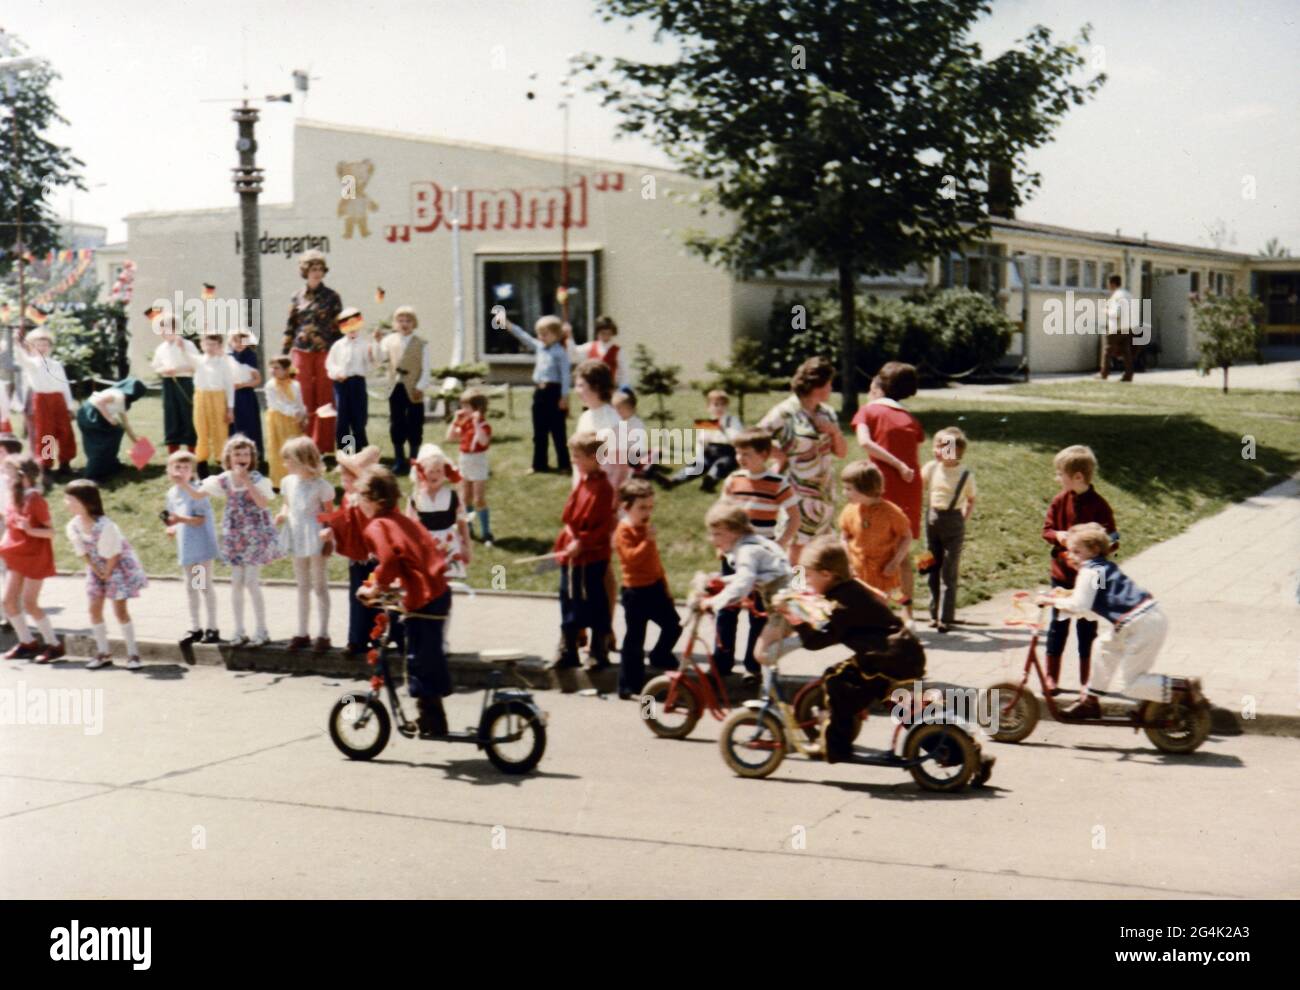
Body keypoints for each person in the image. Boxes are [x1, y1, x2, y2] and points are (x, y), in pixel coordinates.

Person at [778, 536, 923, 763]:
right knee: (894, 701)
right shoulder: (847, 589)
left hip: (887, 658)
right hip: (900, 652)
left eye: (809, 577)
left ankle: (837, 748)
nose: (806, 582)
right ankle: (948, 744)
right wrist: (796, 596)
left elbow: (815, 642)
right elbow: (812, 599)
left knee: (836, 681)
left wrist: (795, 617)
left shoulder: (840, 604)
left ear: (827, 574)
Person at [1040, 523, 1202, 719]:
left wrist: (1050, 601)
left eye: (1077, 551)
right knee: (1103, 646)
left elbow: (1080, 606)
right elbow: (1091, 605)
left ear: (1094, 550)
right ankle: (1090, 701)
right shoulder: (1101, 567)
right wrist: (1067, 598)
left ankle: (1185, 687)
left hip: (1140, 625)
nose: (1072, 556)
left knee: (1129, 685)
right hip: (1144, 619)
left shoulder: (1089, 571)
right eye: (1070, 551)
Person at [355, 466, 453, 738]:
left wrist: (375, 589)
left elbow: (388, 560)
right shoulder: (401, 520)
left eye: (360, 497)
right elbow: (409, 558)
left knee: (418, 659)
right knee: (427, 655)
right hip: (437, 592)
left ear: (375, 499)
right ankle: (434, 717)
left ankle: (433, 721)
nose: (358, 503)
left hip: (424, 598)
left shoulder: (377, 526)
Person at [715, 429, 801, 680]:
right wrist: (721, 545)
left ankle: (754, 665)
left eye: (747, 453)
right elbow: (722, 513)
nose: (741, 458)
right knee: (727, 607)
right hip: (734, 556)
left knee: (759, 612)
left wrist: (782, 542)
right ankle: (722, 664)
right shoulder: (733, 480)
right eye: (737, 452)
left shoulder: (777, 483)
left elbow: (795, 517)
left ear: (764, 454)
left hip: (762, 561)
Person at [1041, 444, 1118, 694]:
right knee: (1058, 625)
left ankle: (1087, 680)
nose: (1056, 478)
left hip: (1089, 578)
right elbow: (1047, 530)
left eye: (1060, 473)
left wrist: (1095, 545)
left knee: (1087, 628)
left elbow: (1113, 539)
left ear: (1077, 477)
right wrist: (1059, 536)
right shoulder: (1059, 500)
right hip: (1062, 574)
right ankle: (1051, 677)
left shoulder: (1099, 505)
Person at [851, 361, 924, 620]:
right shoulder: (909, 418)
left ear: (878, 387)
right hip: (910, 487)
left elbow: (865, 442)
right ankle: (907, 613)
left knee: (869, 549)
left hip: (879, 487)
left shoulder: (869, 410)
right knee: (901, 552)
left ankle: (872, 609)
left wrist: (896, 464)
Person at [758, 357, 846, 565]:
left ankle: (815, 591)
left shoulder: (827, 412)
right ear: (817, 386)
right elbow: (754, 437)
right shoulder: (785, 412)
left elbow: (841, 452)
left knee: (821, 548)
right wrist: (779, 454)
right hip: (798, 490)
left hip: (823, 491)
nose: (831, 388)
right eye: (828, 383)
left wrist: (833, 432)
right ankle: (796, 591)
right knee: (797, 546)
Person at [201, 435, 282, 647]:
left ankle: (262, 630)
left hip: (254, 533)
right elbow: (200, 491)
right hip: (235, 533)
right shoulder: (224, 479)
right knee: (236, 582)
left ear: (252, 458)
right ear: (229, 457)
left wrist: (246, 481)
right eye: (237, 454)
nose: (242, 457)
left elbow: (263, 503)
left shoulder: (257, 479)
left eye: (246, 454)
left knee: (251, 581)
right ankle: (239, 630)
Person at [65, 479, 149, 670]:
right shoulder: (73, 526)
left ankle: (133, 654)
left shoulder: (105, 525)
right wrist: (96, 570)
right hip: (96, 569)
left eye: (71, 500)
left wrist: (108, 572)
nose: (67, 504)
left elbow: (114, 552)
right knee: (94, 609)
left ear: (86, 502)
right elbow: (82, 551)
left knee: (119, 611)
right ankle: (103, 652)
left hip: (116, 567)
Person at [551, 431, 615, 672]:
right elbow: (570, 516)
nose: (574, 460)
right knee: (568, 599)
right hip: (573, 556)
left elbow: (603, 526)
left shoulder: (604, 488)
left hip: (591, 556)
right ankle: (568, 648)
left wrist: (583, 541)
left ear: (593, 457)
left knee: (594, 600)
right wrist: (570, 537)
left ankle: (599, 651)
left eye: (577, 456)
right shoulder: (583, 481)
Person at [613, 479, 681, 698]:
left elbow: (654, 562)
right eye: (642, 508)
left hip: (654, 587)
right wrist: (647, 541)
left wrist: (665, 588)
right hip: (635, 592)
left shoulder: (644, 528)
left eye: (650, 507)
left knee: (673, 624)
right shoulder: (624, 531)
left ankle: (660, 655)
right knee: (634, 639)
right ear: (626, 508)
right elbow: (632, 559)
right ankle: (628, 685)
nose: (647, 512)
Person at [320, 445, 386, 657]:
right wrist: (330, 528)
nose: (344, 484)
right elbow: (343, 520)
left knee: (374, 597)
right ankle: (356, 639)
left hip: (372, 555)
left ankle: (376, 638)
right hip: (356, 556)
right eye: (343, 480)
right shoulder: (349, 498)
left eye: (348, 480)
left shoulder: (370, 499)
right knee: (356, 597)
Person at [275, 436, 335, 652]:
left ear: (302, 460)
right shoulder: (288, 482)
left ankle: (324, 633)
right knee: (302, 585)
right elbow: (287, 505)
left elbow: (329, 515)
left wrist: (328, 532)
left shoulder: (322, 487)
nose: (285, 464)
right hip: (296, 534)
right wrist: (282, 515)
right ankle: (302, 631)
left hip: (315, 537)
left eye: (288, 459)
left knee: (319, 585)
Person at [697, 501, 793, 630]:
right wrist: (721, 580)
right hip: (779, 599)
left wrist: (714, 602)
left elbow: (744, 582)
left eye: (717, 534)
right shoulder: (749, 544)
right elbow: (750, 576)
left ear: (735, 532)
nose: (712, 540)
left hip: (784, 603)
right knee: (766, 644)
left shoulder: (747, 551)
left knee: (766, 647)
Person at [283, 248, 343, 454]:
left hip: (325, 351)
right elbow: (291, 325)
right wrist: (284, 354)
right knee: (304, 396)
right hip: (301, 352)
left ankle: (324, 446)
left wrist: (340, 356)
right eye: (312, 269)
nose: (316, 272)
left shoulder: (332, 296)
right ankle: (305, 445)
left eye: (319, 269)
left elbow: (339, 328)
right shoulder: (296, 296)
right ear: (305, 271)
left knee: (325, 397)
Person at [0, 455, 60, 661]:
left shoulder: (35, 500)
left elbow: (51, 532)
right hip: (17, 556)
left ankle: (54, 644)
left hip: (35, 557)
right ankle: (27, 642)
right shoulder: (15, 497)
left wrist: (31, 530)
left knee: (30, 603)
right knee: (8, 602)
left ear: (22, 476)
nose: (4, 478)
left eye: (7, 474)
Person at [838, 461, 913, 617]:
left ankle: (886, 630)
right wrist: (847, 560)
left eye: (849, 489)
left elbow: (906, 536)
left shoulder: (891, 513)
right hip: (857, 571)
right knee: (858, 605)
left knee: (880, 607)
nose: (844, 493)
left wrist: (895, 562)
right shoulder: (850, 510)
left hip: (882, 571)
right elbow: (844, 536)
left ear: (865, 489)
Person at [920, 427, 976, 632]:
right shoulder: (931, 468)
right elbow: (919, 485)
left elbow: (971, 500)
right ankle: (933, 613)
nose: (937, 450)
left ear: (956, 452)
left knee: (948, 571)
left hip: (953, 521)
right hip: (931, 519)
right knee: (930, 566)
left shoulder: (965, 475)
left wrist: (963, 519)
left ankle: (946, 617)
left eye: (943, 447)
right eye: (936, 445)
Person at [163, 450, 221, 645]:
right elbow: (173, 517)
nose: (180, 471)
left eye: (185, 468)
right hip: (186, 547)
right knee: (190, 587)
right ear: (169, 470)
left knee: (202, 586)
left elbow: (199, 520)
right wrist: (172, 527)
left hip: (200, 546)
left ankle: (211, 627)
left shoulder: (197, 491)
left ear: (192, 472)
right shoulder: (172, 493)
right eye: (177, 467)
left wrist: (179, 520)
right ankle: (195, 627)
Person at [503, 315, 571, 474]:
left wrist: (564, 397)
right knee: (539, 430)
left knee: (558, 431)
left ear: (556, 334)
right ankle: (539, 464)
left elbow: (566, 376)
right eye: (539, 334)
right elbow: (523, 336)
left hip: (554, 392)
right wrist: (507, 324)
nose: (541, 337)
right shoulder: (540, 347)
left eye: (545, 334)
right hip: (539, 392)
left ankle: (564, 465)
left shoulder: (560, 352)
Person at [407, 443, 471, 590]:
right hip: (425, 545)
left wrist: (466, 546)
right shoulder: (416, 498)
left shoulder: (452, 496)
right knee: (426, 582)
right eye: (431, 471)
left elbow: (462, 523)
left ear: (445, 472)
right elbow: (408, 526)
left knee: (445, 583)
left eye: (439, 471)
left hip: (448, 545)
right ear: (422, 472)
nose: (435, 475)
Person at [15, 327, 76, 475]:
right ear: (31, 347)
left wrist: (69, 405)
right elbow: (22, 359)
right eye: (38, 345)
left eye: (45, 345)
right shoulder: (32, 363)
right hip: (42, 400)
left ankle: (65, 462)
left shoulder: (56, 364)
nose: (42, 348)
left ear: (50, 347)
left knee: (65, 431)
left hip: (59, 399)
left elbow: (64, 385)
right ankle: (46, 465)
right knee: (46, 433)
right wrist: (17, 344)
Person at [380, 305, 431, 475]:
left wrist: (420, 386)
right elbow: (381, 358)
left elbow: (426, 369)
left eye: (408, 321)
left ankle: (414, 459)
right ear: (395, 323)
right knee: (397, 423)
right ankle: (399, 458)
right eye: (400, 321)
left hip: (414, 388)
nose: (404, 324)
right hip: (396, 387)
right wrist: (376, 341)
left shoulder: (421, 343)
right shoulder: (389, 341)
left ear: (414, 323)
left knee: (415, 423)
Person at [325, 307, 378, 453]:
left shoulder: (365, 344)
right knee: (343, 419)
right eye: (347, 326)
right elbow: (330, 364)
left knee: (358, 418)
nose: (352, 330)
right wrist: (337, 373)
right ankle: (345, 452)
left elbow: (370, 366)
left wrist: (372, 354)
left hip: (357, 383)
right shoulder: (338, 345)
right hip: (341, 384)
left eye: (354, 325)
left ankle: (359, 450)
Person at [76, 377, 149, 482]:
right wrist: (109, 418)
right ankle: (92, 476)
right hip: (91, 415)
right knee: (101, 445)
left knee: (116, 431)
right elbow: (100, 401)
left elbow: (125, 423)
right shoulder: (117, 394)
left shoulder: (121, 400)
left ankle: (111, 464)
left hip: (88, 415)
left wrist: (134, 440)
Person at [668, 390, 743, 491]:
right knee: (699, 465)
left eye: (722, 405)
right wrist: (699, 454)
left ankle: (709, 481)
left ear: (727, 406)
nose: (719, 408)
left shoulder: (732, 420)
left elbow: (737, 438)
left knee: (720, 465)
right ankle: (674, 480)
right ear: (708, 407)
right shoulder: (707, 423)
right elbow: (700, 441)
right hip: (710, 451)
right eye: (716, 405)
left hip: (727, 452)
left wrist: (724, 430)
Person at [447, 386, 494, 545]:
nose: (463, 409)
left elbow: (483, 441)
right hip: (464, 460)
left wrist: (476, 423)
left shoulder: (483, 425)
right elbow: (450, 437)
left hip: (478, 461)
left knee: (478, 498)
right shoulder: (464, 423)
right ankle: (469, 528)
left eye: (466, 406)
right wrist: (455, 421)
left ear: (477, 408)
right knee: (464, 498)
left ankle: (487, 532)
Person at [149, 313, 199, 454]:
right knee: (171, 415)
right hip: (168, 383)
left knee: (188, 414)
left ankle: (192, 451)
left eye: (167, 329)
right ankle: (174, 453)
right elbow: (156, 366)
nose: (164, 333)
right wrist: (163, 370)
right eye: (162, 329)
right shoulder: (161, 348)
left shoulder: (187, 345)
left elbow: (196, 365)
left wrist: (177, 369)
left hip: (185, 382)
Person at [193, 334, 236, 475]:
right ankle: (201, 463)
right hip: (201, 396)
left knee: (220, 430)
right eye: (207, 344)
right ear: (202, 345)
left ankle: (221, 462)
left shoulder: (224, 362)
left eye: (214, 345)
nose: (210, 348)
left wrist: (230, 408)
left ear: (219, 346)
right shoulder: (198, 361)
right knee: (201, 429)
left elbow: (230, 386)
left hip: (218, 396)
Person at [264, 356, 308, 490]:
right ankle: (278, 480)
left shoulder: (295, 384)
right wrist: (293, 411)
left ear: (286, 370)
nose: (273, 370)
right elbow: (276, 404)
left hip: (293, 420)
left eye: (277, 368)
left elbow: (299, 402)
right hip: (277, 419)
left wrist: (302, 414)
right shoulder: (271, 385)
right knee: (278, 447)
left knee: (293, 447)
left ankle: (297, 477)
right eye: (271, 367)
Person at [228, 329, 264, 469]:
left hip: (246, 395)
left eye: (242, 341)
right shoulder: (227, 356)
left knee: (249, 426)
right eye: (236, 341)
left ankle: (253, 456)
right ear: (230, 342)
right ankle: (233, 457)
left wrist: (242, 385)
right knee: (233, 426)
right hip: (231, 396)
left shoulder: (250, 356)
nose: (239, 344)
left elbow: (257, 380)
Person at [1100, 274, 1135, 382]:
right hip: (1128, 327)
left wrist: (1106, 311)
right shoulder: (1128, 294)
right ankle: (1128, 375)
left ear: (1112, 284)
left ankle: (1104, 374)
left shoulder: (1116, 296)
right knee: (1126, 352)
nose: (1108, 286)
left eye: (1108, 284)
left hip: (1116, 328)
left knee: (1107, 350)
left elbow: (1116, 313)